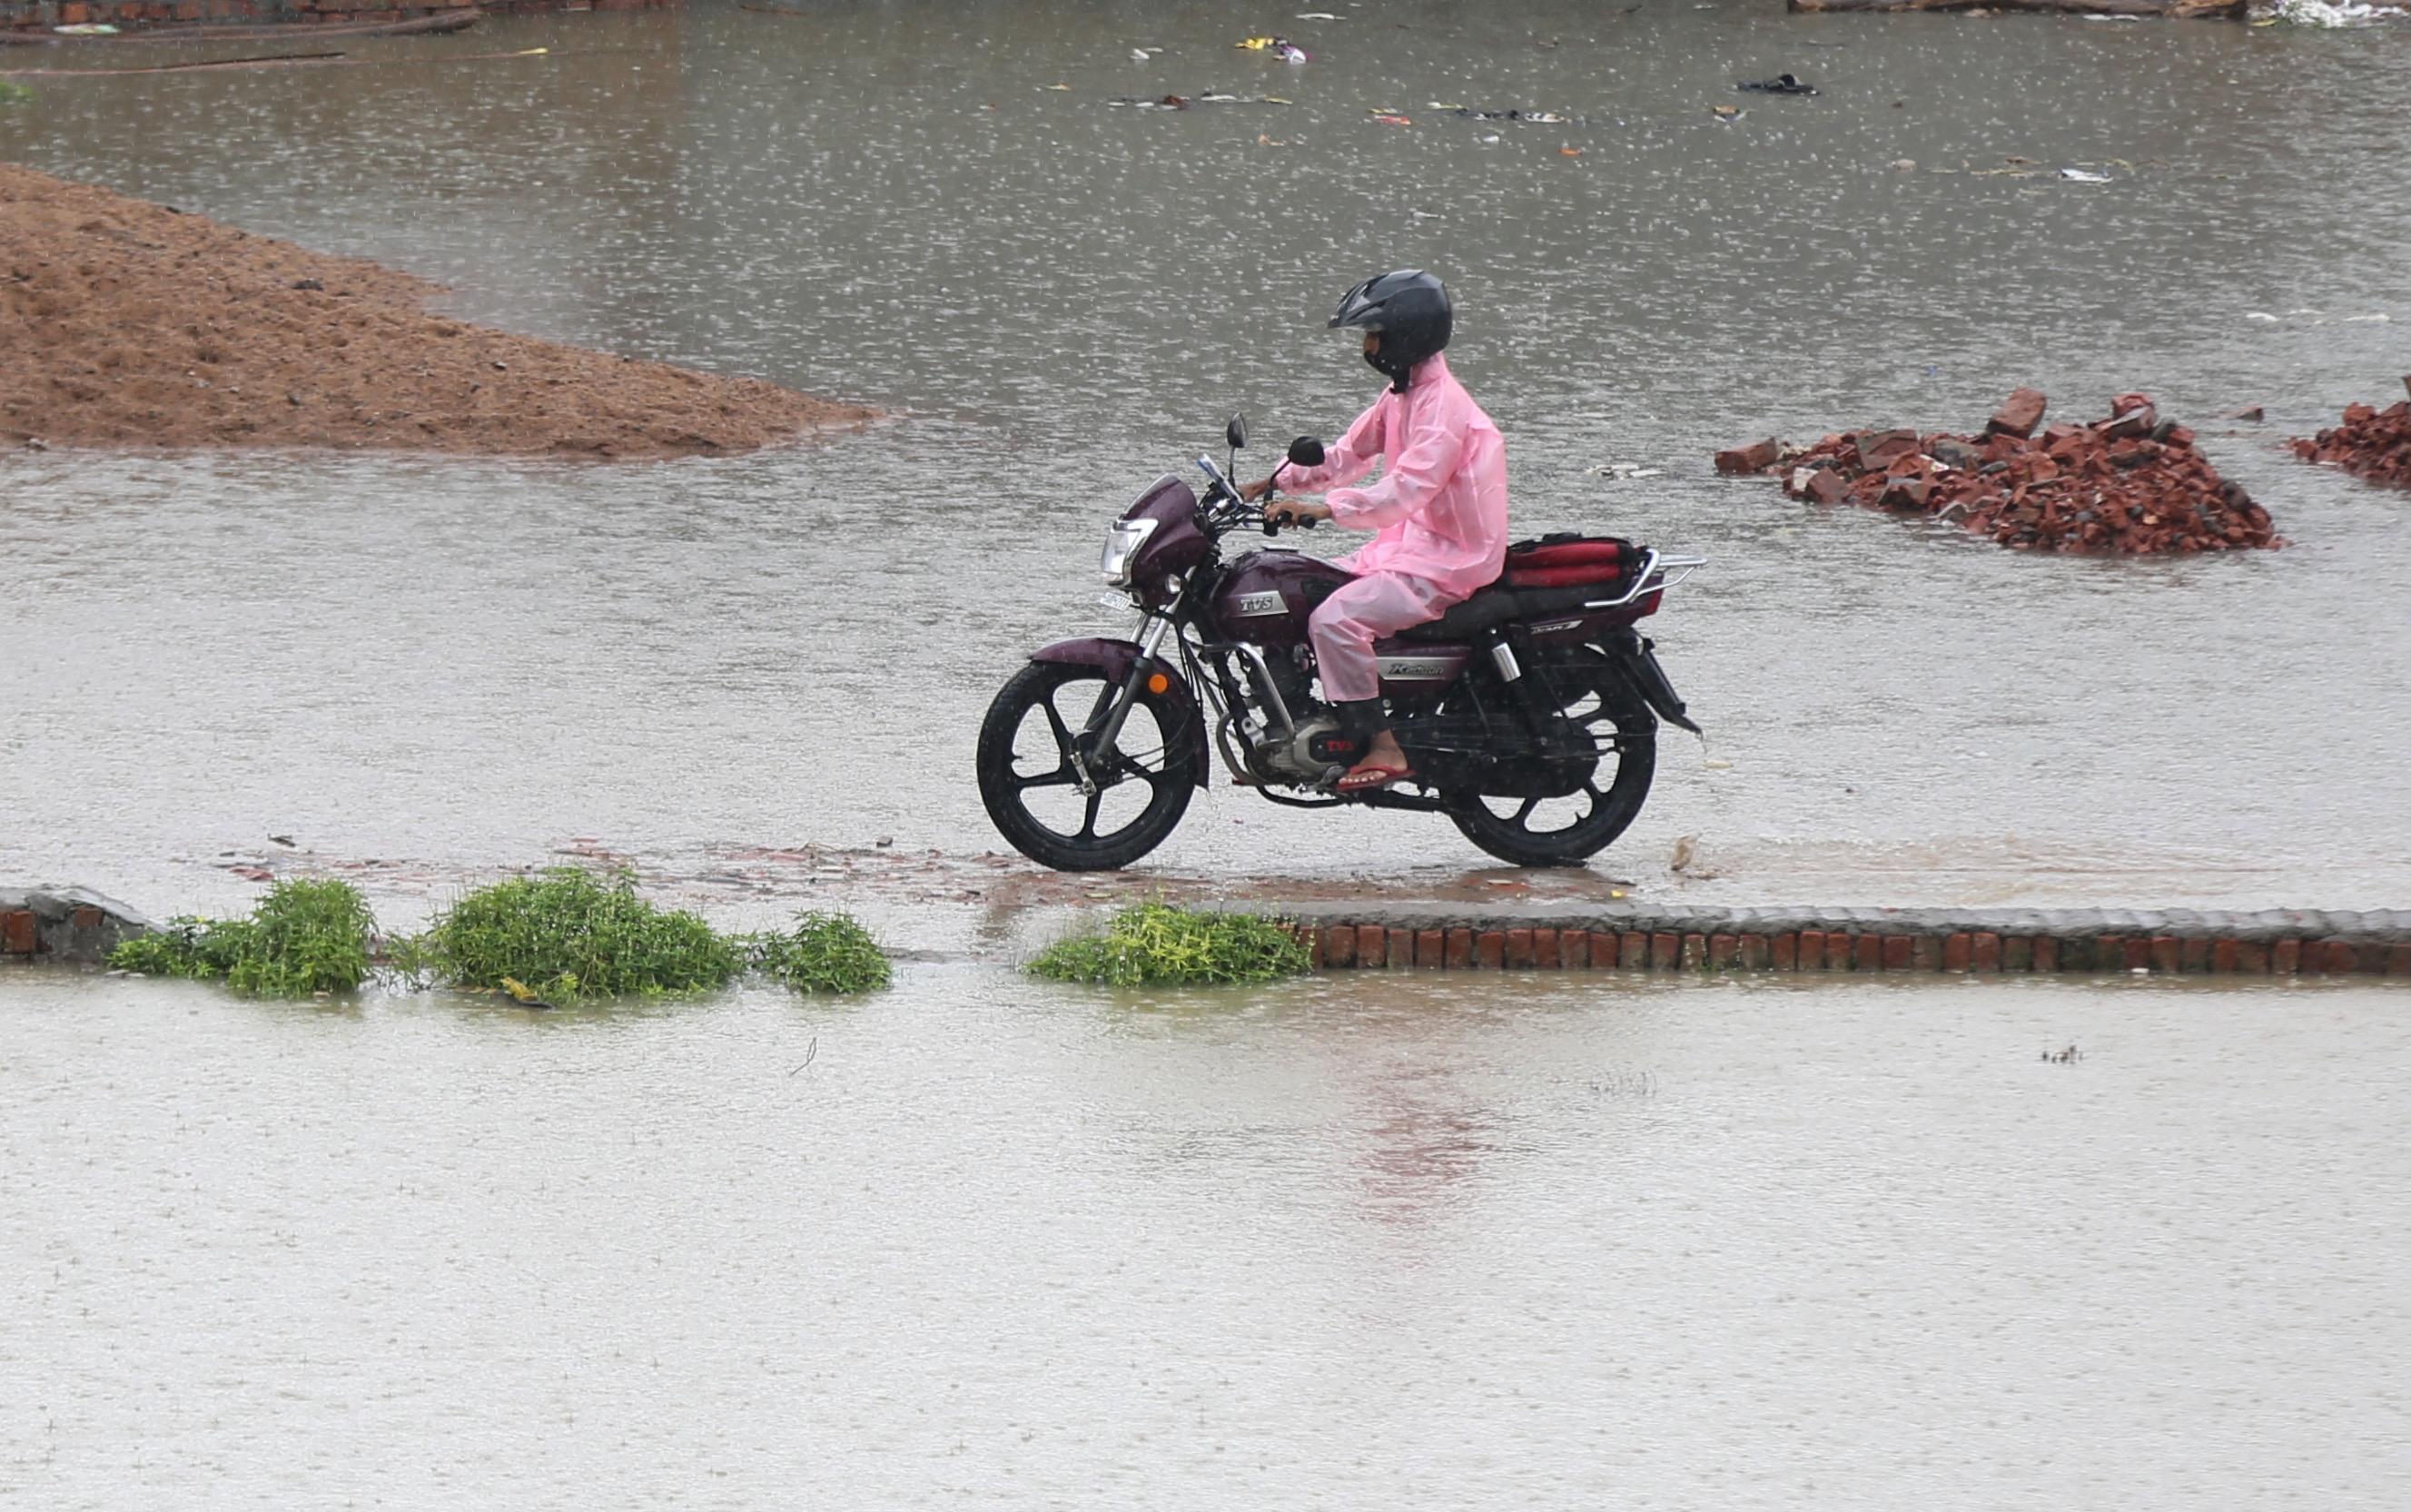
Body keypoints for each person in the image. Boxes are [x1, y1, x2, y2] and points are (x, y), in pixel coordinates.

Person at [1241, 270, 1509, 794]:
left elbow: (1407, 491)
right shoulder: (1403, 394)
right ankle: (1295, 732)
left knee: (1334, 619)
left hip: (1448, 561)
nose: (1367, 347)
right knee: (1296, 590)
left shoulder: (1446, 409)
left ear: (1408, 335)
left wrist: (1324, 511)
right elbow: (1348, 454)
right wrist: (1271, 482)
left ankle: (1384, 746)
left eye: (1374, 335)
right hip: (1405, 549)